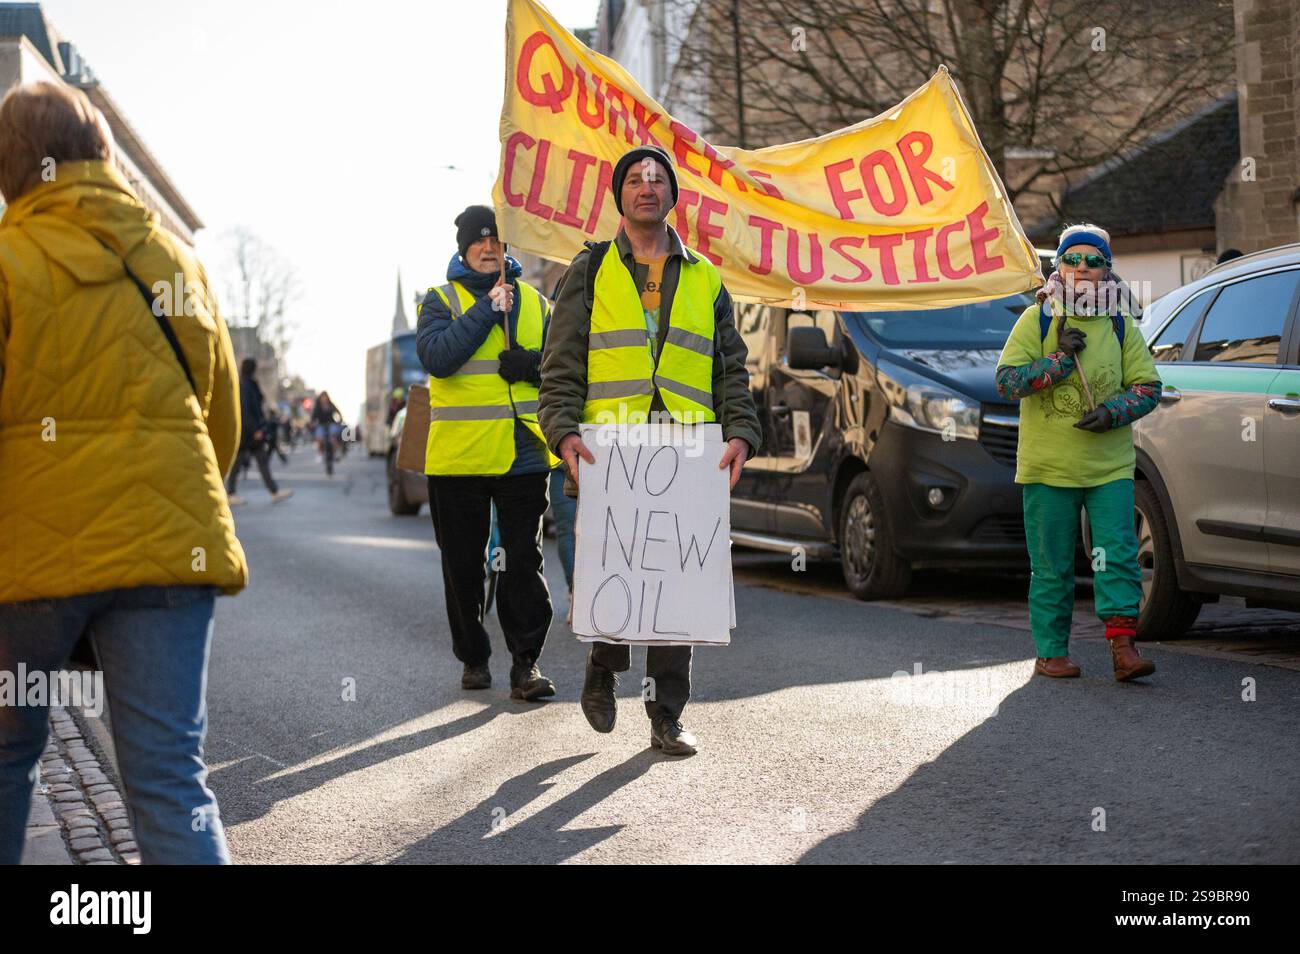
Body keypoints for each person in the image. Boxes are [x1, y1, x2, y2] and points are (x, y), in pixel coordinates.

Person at [0, 82, 246, 863]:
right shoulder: (173, 258)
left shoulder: (8, 260)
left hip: (27, 561)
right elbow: (222, 419)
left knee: (7, 758)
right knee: (172, 774)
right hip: (171, 553)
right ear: (101, 152)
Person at [539, 144, 761, 756]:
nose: (646, 187)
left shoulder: (706, 278)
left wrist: (741, 431)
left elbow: (730, 370)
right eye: (635, 179)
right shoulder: (587, 271)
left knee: (677, 581)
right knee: (618, 569)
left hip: (688, 454)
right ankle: (602, 668)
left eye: (657, 179)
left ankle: (667, 713)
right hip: (610, 455)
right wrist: (563, 431)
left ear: (671, 196)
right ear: (620, 196)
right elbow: (561, 368)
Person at [995, 223, 1162, 681]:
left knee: (1118, 556)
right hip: (1048, 468)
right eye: (1073, 259)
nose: (1083, 268)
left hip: (1108, 467)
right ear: (1059, 266)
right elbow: (1007, 381)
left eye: (1094, 261)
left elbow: (1149, 387)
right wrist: (1057, 361)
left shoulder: (1119, 323)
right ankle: (1051, 653)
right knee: (1051, 565)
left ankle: (1123, 649)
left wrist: (1113, 411)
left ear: (1107, 271)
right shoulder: (1039, 319)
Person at [415, 205, 558, 701]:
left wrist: (534, 366)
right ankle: (474, 657)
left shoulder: (538, 304)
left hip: (523, 453)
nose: (489, 246)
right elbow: (439, 358)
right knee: (463, 564)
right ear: (463, 247)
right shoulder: (439, 301)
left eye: (497, 239)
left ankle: (526, 664)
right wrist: (486, 310)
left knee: (522, 560)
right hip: (458, 458)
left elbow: (568, 369)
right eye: (480, 240)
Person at [227, 358, 292, 505]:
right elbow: (245, 410)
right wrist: (255, 429)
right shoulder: (245, 385)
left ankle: (274, 492)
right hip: (248, 432)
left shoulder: (249, 384)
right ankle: (230, 494)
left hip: (251, 431)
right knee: (238, 463)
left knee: (261, 461)